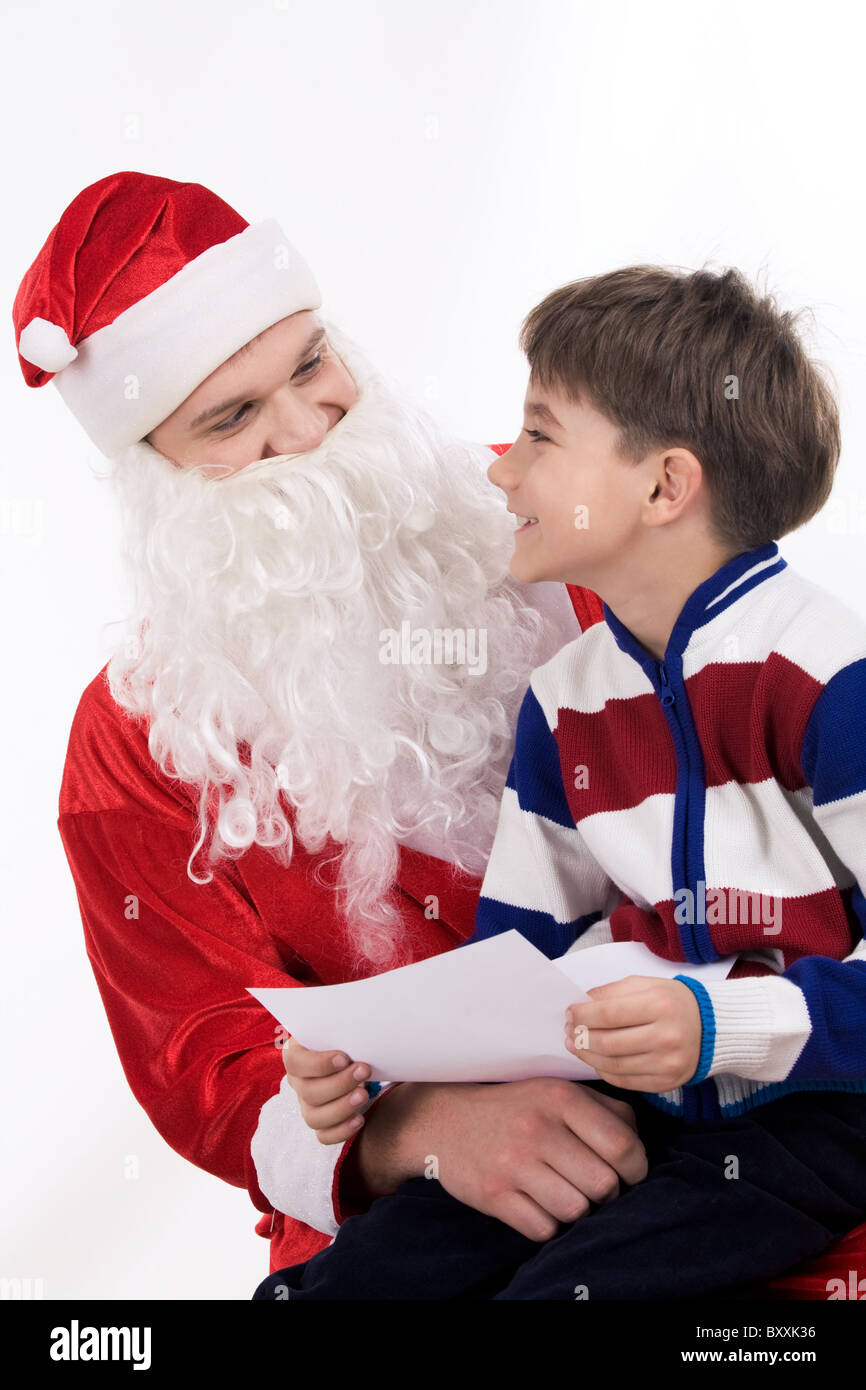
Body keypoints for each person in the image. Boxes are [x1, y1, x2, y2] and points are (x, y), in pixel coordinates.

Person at [12, 170, 647, 1280]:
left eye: (309, 362)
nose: (309, 428)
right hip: (411, 1204)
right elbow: (199, 1050)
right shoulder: (134, 740)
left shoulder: (546, 517)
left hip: (691, 1081)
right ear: (152, 470)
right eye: (232, 418)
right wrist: (414, 1132)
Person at [253, 265, 866, 1301]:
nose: (502, 475)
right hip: (636, 1098)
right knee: (370, 1274)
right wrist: (366, 1071)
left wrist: (727, 1027)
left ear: (663, 486)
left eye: (539, 436)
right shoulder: (564, 697)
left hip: (811, 1112)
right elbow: (510, 972)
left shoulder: (825, 679)